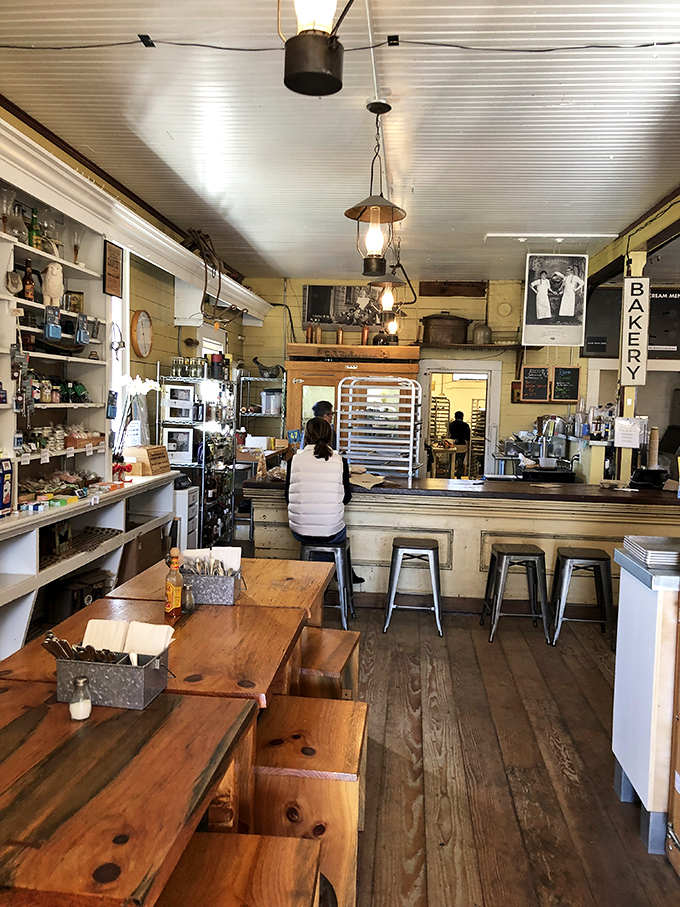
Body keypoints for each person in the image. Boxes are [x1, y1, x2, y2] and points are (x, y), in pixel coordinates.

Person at [286, 417, 363, 582]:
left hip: (300, 531)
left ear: (306, 437)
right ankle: (337, 576)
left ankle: (315, 582)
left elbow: (287, 497)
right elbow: (346, 497)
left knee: (320, 533)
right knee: (332, 531)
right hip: (331, 530)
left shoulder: (293, 461)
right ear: (330, 437)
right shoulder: (340, 461)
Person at [448, 411, 470, 479]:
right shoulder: (466, 425)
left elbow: (450, 434)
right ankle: (459, 476)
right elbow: (468, 438)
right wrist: (468, 447)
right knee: (460, 463)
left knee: (452, 462)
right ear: (462, 417)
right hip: (462, 446)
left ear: (455, 417)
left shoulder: (451, 425)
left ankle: (450, 475)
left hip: (453, 445)